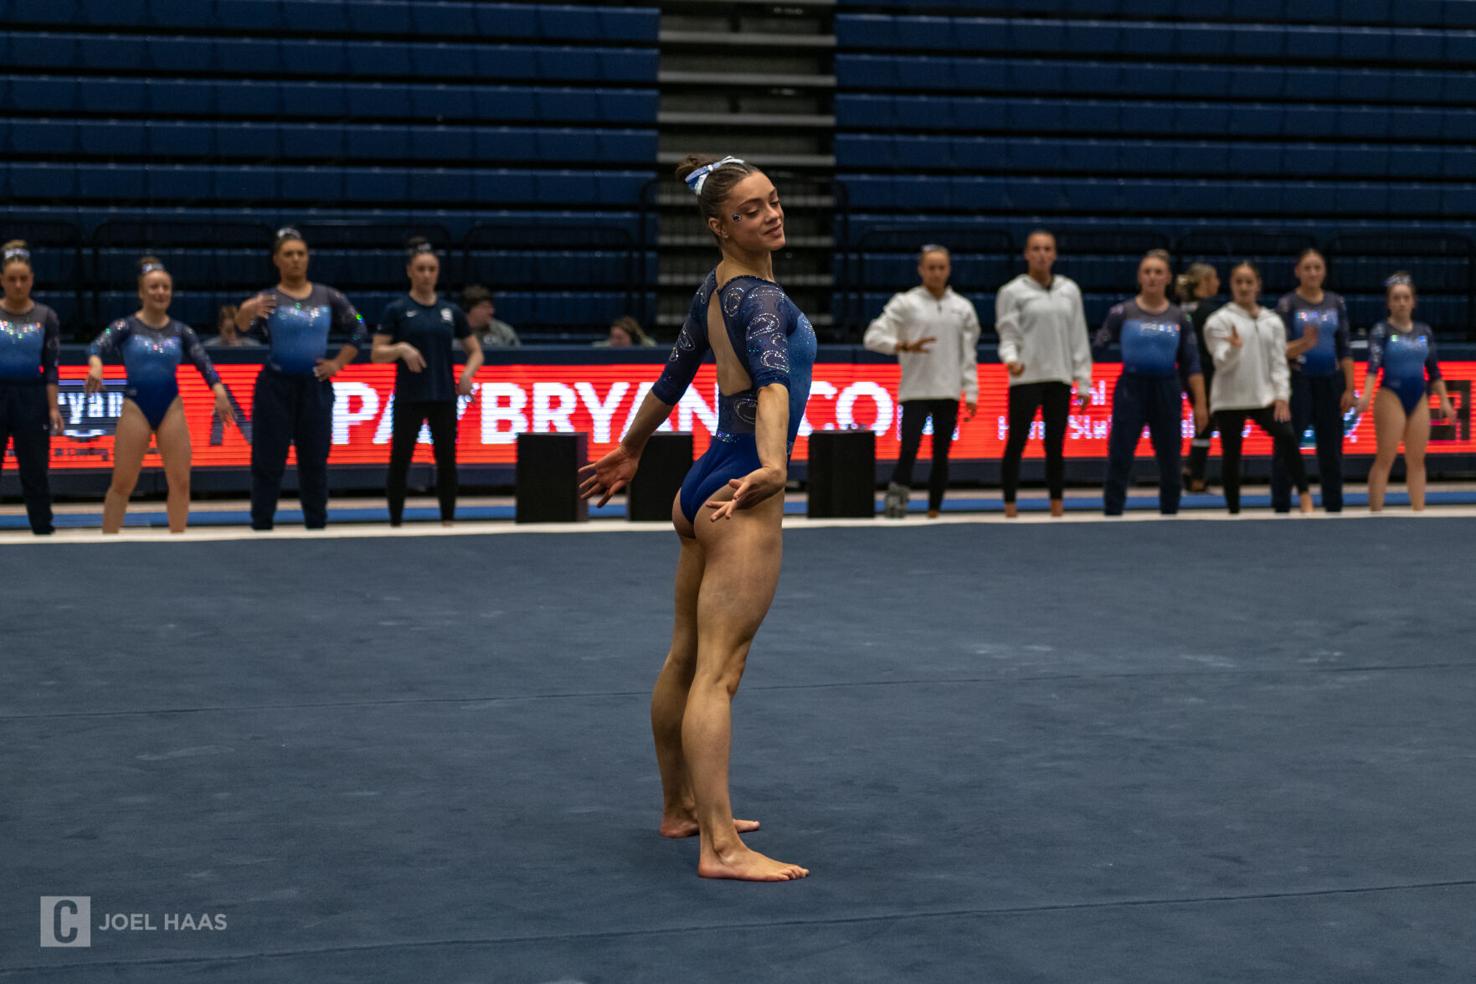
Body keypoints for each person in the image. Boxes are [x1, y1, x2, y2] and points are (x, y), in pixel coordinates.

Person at [578, 154, 814, 882]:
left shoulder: (716, 289)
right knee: (719, 672)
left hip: (700, 484)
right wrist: (773, 467)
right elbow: (773, 387)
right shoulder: (761, 301)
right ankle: (721, 847)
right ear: (719, 226)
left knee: (686, 657)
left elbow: (674, 375)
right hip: (742, 488)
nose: (771, 215)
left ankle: (681, 807)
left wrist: (630, 448)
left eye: (773, 201)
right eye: (751, 210)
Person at [86, 257, 235, 533]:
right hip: (136, 406)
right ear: (141, 292)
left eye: (165, 287)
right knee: (123, 482)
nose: (160, 292)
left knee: (180, 481)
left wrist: (219, 390)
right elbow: (96, 346)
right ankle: (107, 541)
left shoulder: (182, 331)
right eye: (154, 287)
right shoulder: (125, 327)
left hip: (170, 406)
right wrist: (96, 364)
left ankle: (178, 538)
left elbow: (204, 363)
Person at [234, 227, 368, 531]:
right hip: (275, 387)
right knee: (268, 459)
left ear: (308, 259)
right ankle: (262, 522)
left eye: (300, 254)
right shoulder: (266, 299)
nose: (295, 260)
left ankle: (316, 523)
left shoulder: (328, 296)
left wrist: (338, 363)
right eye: (288, 255)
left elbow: (359, 327)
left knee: (315, 459)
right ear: (277, 261)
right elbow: (241, 330)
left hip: (315, 387)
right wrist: (245, 311)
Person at [863, 243, 980, 519]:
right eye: (931, 267)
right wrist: (902, 345)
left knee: (942, 452)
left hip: (948, 391)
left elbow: (968, 355)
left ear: (948, 270)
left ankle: (935, 507)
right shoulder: (905, 303)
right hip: (915, 390)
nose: (936, 273)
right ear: (921, 270)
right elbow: (872, 337)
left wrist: (971, 391)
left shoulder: (963, 308)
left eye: (941, 267)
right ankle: (897, 502)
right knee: (910, 448)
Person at [373, 239, 483, 526]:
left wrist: (467, 374)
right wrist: (400, 349)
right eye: (420, 268)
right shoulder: (396, 310)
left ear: (437, 272)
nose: (426, 274)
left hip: (443, 395)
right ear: (410, 271)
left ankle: (448, 518)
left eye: (431, 269)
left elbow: (476, 351)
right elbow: (376, 353)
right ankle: (395, 519)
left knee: (446, 460)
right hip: (410, 396)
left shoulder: (450, 312)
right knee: (400, 459)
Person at [1095, 250, 1208, 516]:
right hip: (1131, 389)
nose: (1153, 277)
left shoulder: (1180, 317)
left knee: (1170, 456)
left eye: (1158, 272)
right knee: (1121, 453)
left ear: (1168, 277)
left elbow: (1192, 362)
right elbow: (1094, 349)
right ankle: (1112, 512)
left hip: (1166, 388)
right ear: (1139, 277)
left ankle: (1170, 512)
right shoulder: (1121, 312)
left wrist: (1201, 403)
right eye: (1147, 272)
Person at [995, 229, 1092, 518]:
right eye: (1035, 249)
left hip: (1059, 377)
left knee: (1055, 444)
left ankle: (1057, 502)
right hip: (1025, 377)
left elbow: (1078, 337)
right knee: (1017, 441)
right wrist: (1011, 359)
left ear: (1054, 254)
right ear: (1026, 254)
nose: (1041, 254)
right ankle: (1010, 503)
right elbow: (1007, 333)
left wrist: (1083, 380)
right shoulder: (1012, 292)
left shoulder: (1069, 290)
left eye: (1047, 249)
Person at [1203, 262, 1312, 515]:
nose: (1244, 287)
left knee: (1287, 437)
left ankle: (1305, 494)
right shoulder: (1218, 321)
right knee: (1231, 455)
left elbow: (1278, 362)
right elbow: (1220, 362)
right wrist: (1233, 347)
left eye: (1249, 282)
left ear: (1258, 286)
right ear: (1231, 285)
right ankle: (1233, 509)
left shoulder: (1271, 321)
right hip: (1229, 398)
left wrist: (1281, 395)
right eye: (1239, 282)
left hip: (1263, 397)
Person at [1357, 273, 1458, 512]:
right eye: (1396, 298)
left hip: (1418, 397)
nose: (1401, 302)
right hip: (1390, 395)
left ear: (1414, 302)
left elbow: (1434, 371)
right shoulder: (1381, 331)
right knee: (1386, 456)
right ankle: (1375, 510)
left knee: (1416, 459)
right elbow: (1373, 366)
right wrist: (1366, 395)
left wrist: (1444, 400)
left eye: (1406, 297)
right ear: (1388, 303)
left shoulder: (1424, 331)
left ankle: (1419, 509)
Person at [1272, 249, 1355, 513]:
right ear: (1297, 271)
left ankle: (1333, 505)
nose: (1312, 273)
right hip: (1298, 382)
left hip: (1330, 382)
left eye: (1317, 267)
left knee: (1331, 448)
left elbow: (1345, 348)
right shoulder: (1288, 304)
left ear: (1324, 271)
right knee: (1288, 445)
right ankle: (1281, 504)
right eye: (1307, 268)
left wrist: (1349, 388)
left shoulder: (1335, 303)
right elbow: (1279, 350)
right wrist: (1304, 344)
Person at [0, 240, 61, 535]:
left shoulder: (46, 316)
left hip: (32, 396)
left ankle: (41, 523)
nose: (18, 284)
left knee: (34, 465)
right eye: (12, 279)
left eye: (23, 278)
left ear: (32, 280)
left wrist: (52, 407)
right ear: (1, 280)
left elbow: (51, 367)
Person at [1177, 263, 1222, 492]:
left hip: (1187, 372)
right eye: (1214, 278)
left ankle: (1194, 470)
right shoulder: (1209, 311)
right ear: (1204, 282)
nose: (1218, 283)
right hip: (1205, 373)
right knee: (1205, 422)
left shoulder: (1183, 308)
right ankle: (1195, 474)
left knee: (1204, 424)